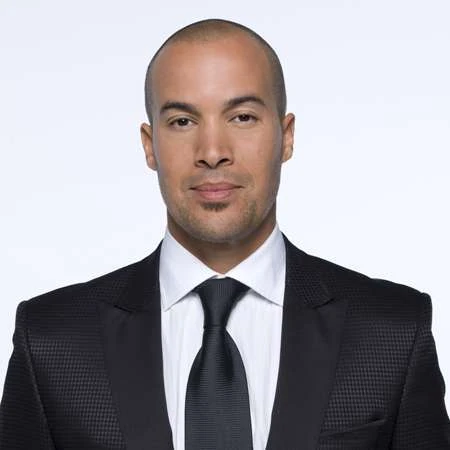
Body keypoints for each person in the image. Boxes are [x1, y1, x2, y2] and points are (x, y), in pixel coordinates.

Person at [0, 18, 449, 450]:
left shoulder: (391, 332)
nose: (212, 152)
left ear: (286, 137)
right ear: (150, 146)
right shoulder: (53, 341)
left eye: (242, 117)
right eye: (182, 121)